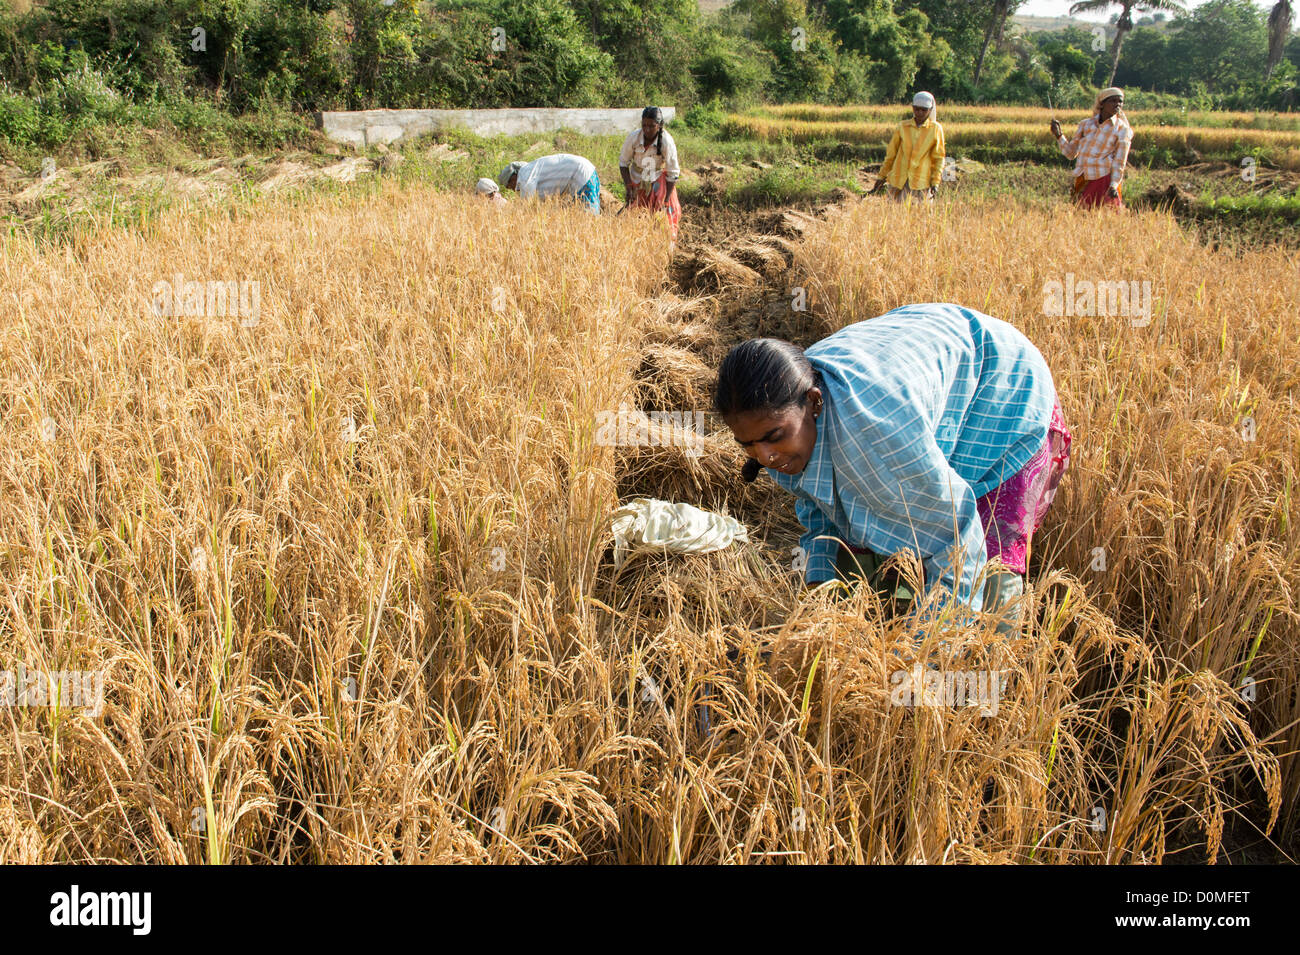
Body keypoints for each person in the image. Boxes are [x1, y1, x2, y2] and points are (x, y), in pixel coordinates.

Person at [713, 303, 1071, 635]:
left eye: (773, 438)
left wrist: (929, 657)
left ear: (814, 402)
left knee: (986, 564)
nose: (765, 457)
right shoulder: (780, 425)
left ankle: (984, 682)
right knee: (871, 538)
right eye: (747, 443)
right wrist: (818, 596)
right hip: (915, 370)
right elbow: (820, 509)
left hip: (1000, 389)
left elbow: (958, 539)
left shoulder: (879, 434)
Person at [1050, 87, 1133, 210]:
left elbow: (1119, 162)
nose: (1117, 104)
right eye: (1113, 101)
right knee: (1082, 218)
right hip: (1083, 178)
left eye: (1120, 101)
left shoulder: (1122, 129)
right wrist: (1059, 135)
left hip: (1103, 179)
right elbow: (1071, 153)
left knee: (1098, 219)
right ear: (1102, 103)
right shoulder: (1086, 124)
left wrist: (1114, 185)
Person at [619, 106, 682, 242]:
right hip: (637, 181)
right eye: (644, 125)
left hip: (658, 185)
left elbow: (673, 173)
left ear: (659, 126)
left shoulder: (666, 142)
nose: (647, 129)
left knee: (662, 222)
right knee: (633, 221)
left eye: (651, 126)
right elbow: (623, 163)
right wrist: (629, 185)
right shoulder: (634, 138)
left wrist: (665, 201)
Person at [878, 92, 945, 204]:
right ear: (913, 108)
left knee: (918, 217)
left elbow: (938, 158)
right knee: (892, 215)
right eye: (917, 109)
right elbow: (891, 154)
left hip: (920, 184)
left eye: (924, 110)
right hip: (898, 181)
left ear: (930, 110)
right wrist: (882, 176)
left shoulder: (935, 129)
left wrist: (935, 182)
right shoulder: (903, 127)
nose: (919, 113)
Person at [497, 154, 601, 214]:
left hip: (580, 174)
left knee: (588, 216)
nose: (514, 190)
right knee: (583, 213)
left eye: (510, 186)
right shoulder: (533, 170)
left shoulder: (525, 173)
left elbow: (528, 204)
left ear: (513, 178)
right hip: (586, 170)